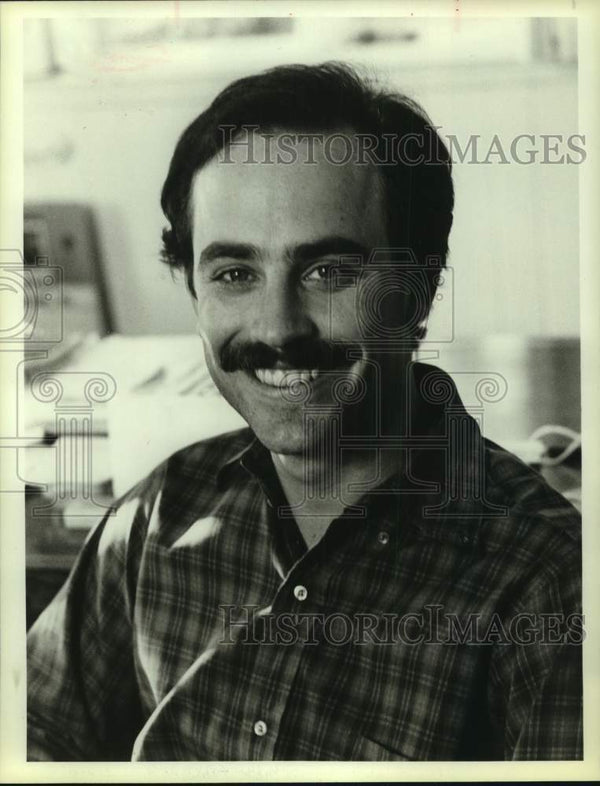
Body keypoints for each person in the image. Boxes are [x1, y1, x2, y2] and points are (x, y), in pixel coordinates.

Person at [27, 62, 582, 761]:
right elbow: (33, 733)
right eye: (235, 274)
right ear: (195, 293)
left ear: (418, 293)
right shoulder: (158, 514)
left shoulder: (551, 589)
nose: (277, 328)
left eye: (328, 272)